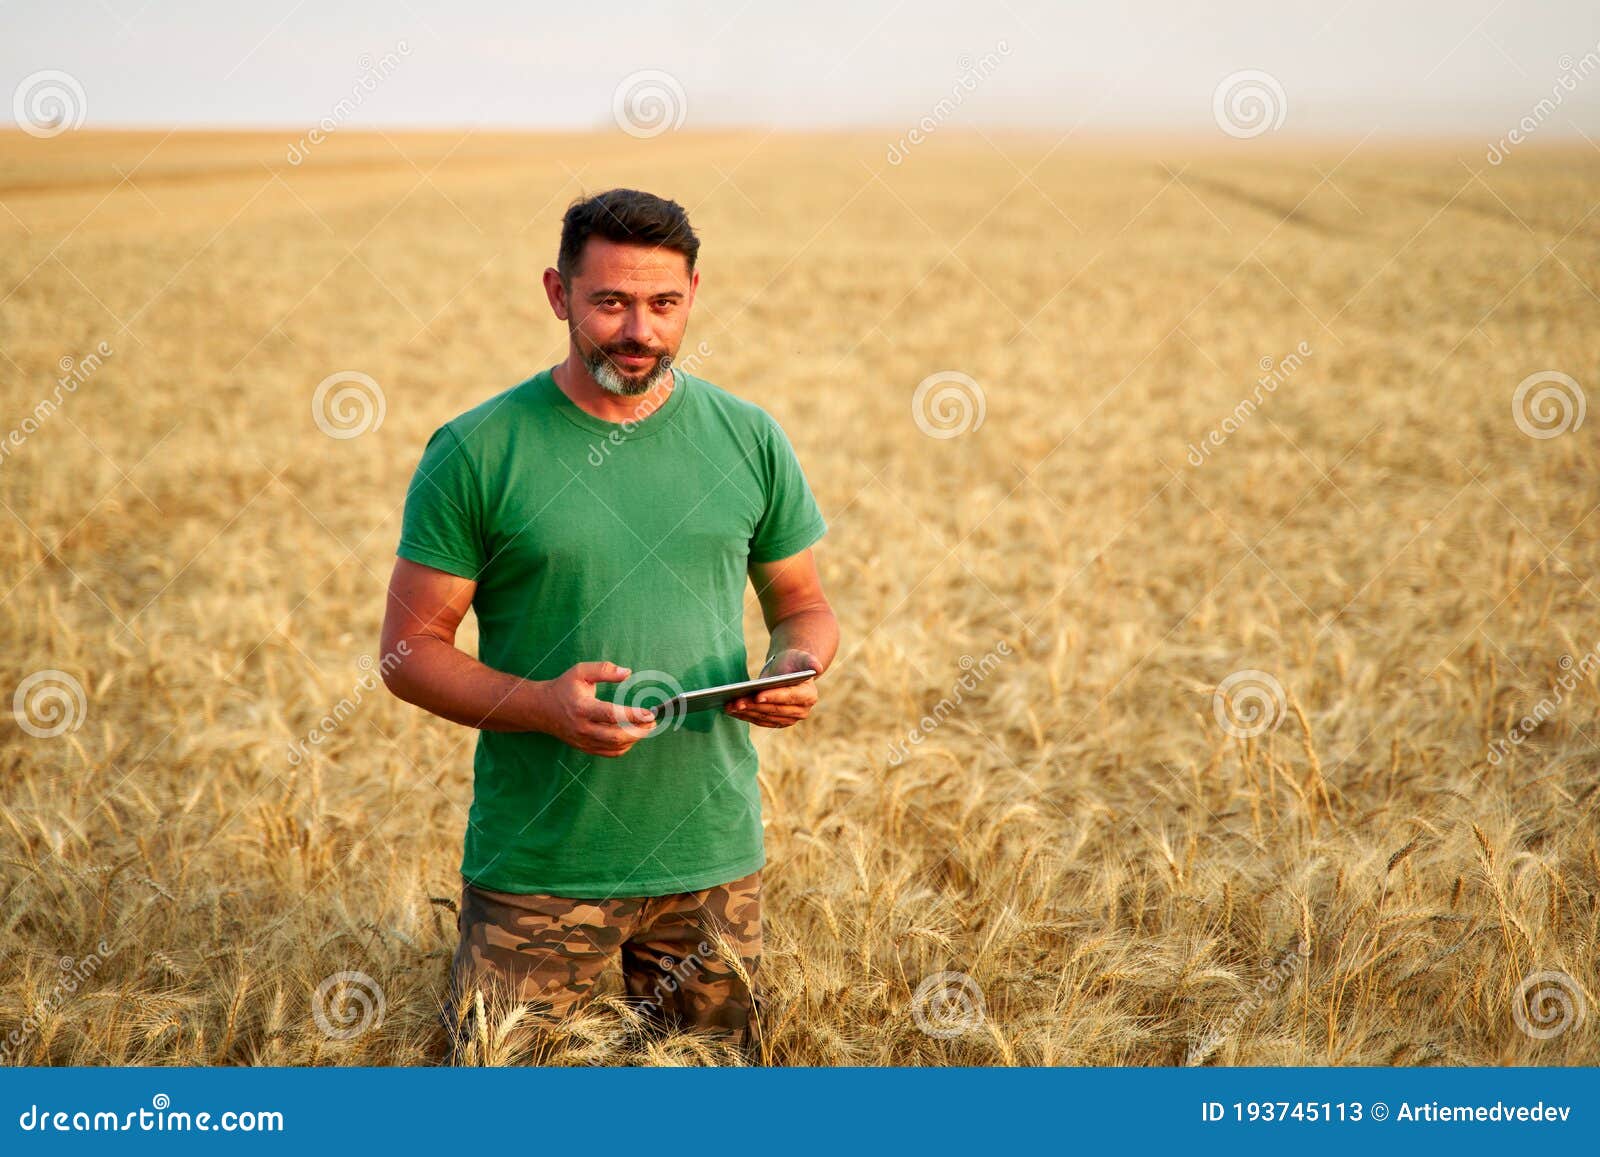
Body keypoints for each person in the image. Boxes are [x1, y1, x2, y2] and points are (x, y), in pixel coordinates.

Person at [379, 187, 839, 1065]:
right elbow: (407, 655)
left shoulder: (749, 437)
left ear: (694, 294)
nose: (641, 330)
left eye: (664, 304)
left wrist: (795, 663)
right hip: (540, 870)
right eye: (611, 302)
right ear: (558, 293)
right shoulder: (478, 449)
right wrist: (544, 705)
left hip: (710, 861)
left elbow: (804, 605)